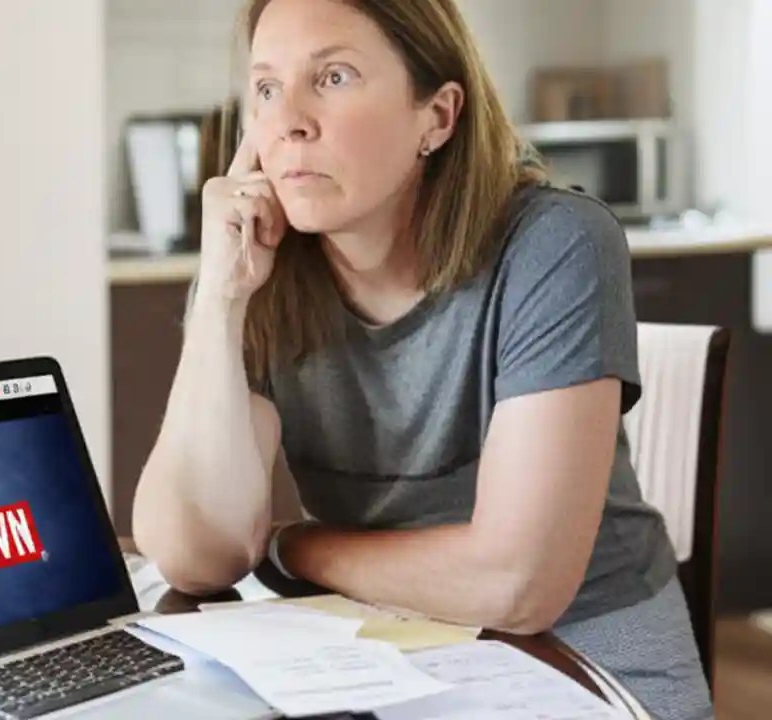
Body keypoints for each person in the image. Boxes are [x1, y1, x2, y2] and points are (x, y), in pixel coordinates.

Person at [129, 0, 713, 718]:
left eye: (334, 77)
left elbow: (516, 585)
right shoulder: (259, 270)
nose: (290, 122)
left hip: (585, 654)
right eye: (267, 88)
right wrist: (221, 294)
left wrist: (296, 550)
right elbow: (195, 556)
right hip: (386, 645)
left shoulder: (557, 243)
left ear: (436, 117)